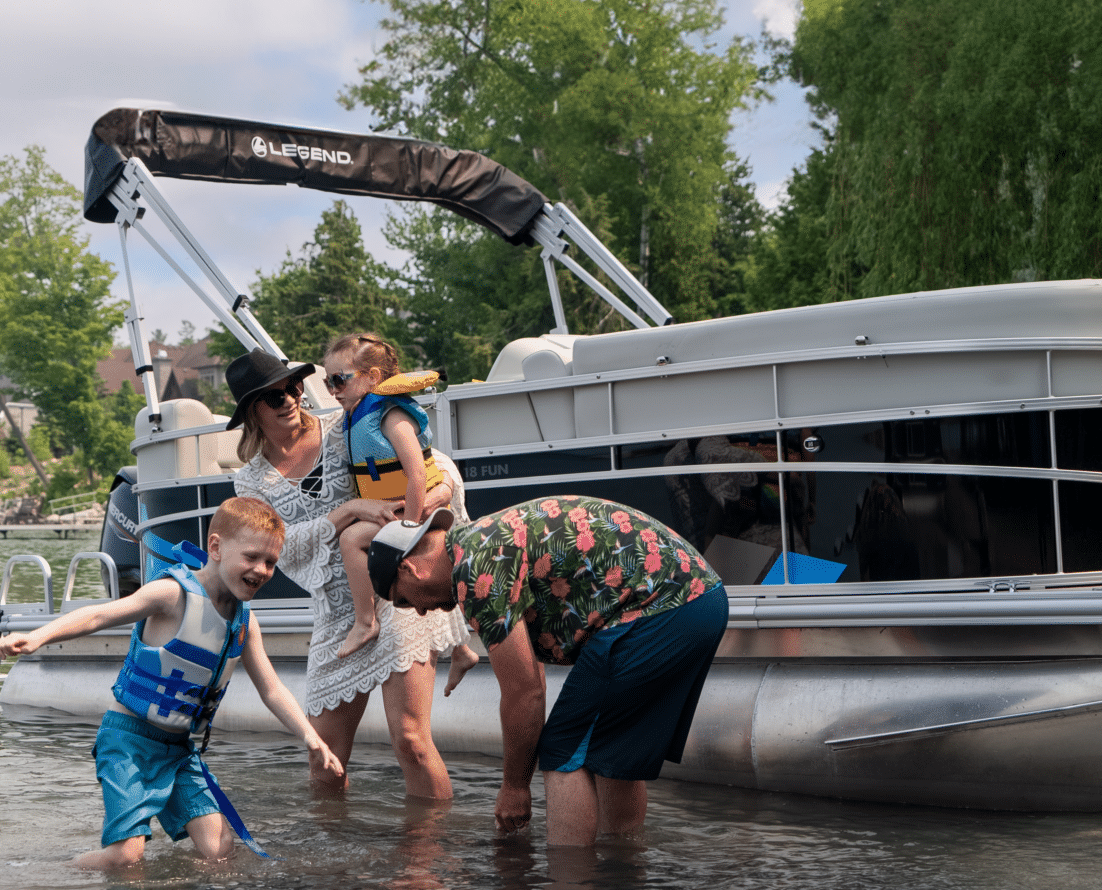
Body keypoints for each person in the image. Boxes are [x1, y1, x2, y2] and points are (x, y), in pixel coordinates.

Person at [0, 495, 342, 869]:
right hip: (129, 740)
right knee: (126, 856)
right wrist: (37, 637)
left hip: (178, 750)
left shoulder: (245, 623)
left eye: (271, 562)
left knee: (219, 850)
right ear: (216, 547)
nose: (262, 569)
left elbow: (271, 689)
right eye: (252, 557)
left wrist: (310, 736)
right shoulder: (172, 594)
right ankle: (44, 870)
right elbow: (99, 615)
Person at [368, 495, 729, 845]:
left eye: (403, 599)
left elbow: (525, 693)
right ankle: (622, 869)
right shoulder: (481, 542)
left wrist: (514, 787)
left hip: (660, 608)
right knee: (611, 755)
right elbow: (532, 675)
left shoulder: (476, 571)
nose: (417, 611)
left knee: (563, 749)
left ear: (409, 569)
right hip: (700, 597)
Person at [226, 348, 475, 801]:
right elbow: (275, 549)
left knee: (412, 742)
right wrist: (349, 511)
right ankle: (332, 868)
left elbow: (439, 468)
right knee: (325, 761)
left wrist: (427, 500)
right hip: (337, 613)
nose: (288, 399)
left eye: (293, 386)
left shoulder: (346, 428)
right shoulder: (250, 483)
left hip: (397, 592)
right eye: (271, 396)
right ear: (250, 412)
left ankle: (429, 863)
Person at [321, 333, 480, 688]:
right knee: (436, 578)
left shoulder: (391, 416)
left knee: (351, 539)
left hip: (416, 509)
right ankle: (462, 650)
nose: (332, 389)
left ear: (373, 378)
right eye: (326, 381)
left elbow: (418, 472)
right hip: (399, 507)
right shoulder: (359, 415)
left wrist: (409, 524)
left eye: (338, 379)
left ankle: (366, 621)